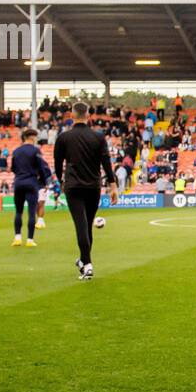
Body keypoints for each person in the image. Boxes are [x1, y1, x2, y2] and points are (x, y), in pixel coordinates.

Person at [53, 102, 119, 279]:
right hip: (93, 187)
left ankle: (87, 264)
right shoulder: (98, 137)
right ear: (88, 115)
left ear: (72, 115)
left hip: (73, 187)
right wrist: (113, 187)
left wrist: (59, 183)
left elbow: (58, 165)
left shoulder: (63, 138)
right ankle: (84, 260)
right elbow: (106, 164)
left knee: (81, 225)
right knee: (87, 224)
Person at [10, 127, 51, 247]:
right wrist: (44, 183)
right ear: (32, 137)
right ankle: (29, 240)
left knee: (18, 212)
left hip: (18, 182)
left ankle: (17, 238)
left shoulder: (16, 151)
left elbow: (12, 168)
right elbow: (42, 168)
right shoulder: (35, 150)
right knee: (31, 212)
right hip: (31, 182)